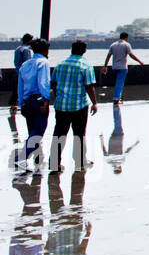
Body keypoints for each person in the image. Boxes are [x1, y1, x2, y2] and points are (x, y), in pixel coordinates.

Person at [49, 40, 98, 172]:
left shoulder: (60, 65)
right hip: (79, 106)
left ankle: (54, 163)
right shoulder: (85, 66)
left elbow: (53, 83)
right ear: (84, 50)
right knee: (79, 134)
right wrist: (94, 103)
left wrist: (58, 95)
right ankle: (80, 162)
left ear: (71, 49)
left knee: (59, 134)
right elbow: (89, 87)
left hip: (61, 105)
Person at [16, 39, 51, 170]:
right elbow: (43, 83)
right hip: (38, 100)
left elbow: (20, 85)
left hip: (27, 102)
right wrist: (46, 100)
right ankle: (21, 157)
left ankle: (36, 160)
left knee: (32, 131)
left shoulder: (25, 64)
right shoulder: (43, 62)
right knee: (38, 131)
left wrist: (21, 103)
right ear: (45, 50)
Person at [103, 32, 144, 114]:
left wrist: (105, 66)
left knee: (118, 83)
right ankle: (116, 99)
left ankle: (118, 98)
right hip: (122, 67)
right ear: (126, 37)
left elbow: (108, 56)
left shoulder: (113, 45)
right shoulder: (126, 44)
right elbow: (131, 55)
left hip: (114, 67)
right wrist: (140, 61)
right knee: (120, 83)